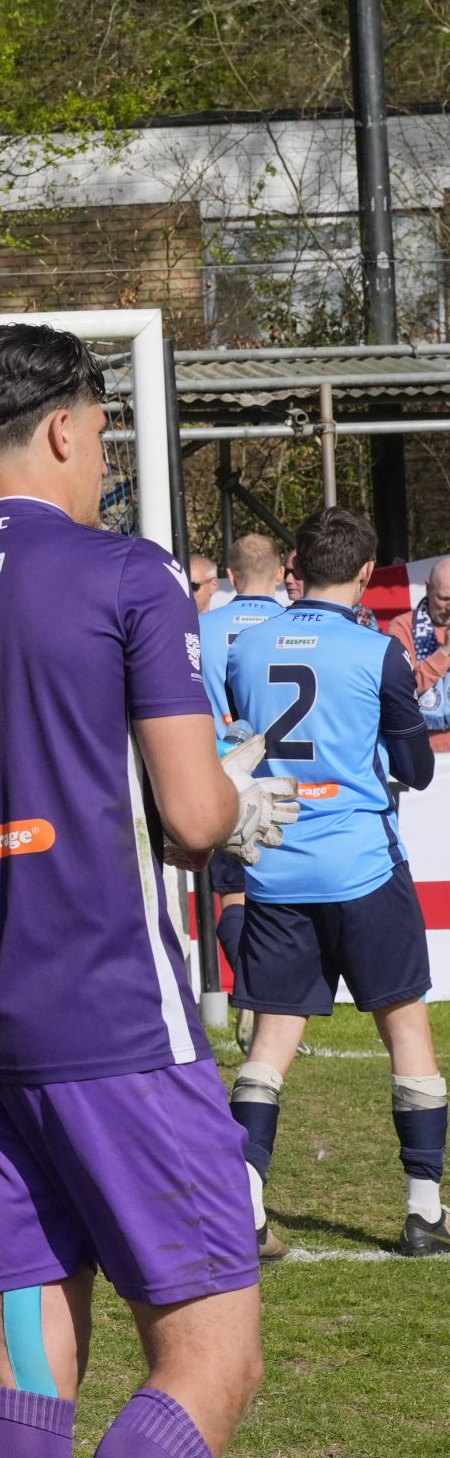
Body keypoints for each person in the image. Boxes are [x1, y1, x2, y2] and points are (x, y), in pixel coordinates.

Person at [0, 323, 289, 1458]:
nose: (108, 463)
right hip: (108, 1011)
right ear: (67, 429)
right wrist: (235, 796)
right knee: (210, 1359)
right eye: (106, 437)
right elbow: (192, 817)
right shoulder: (126, 571)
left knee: (25, 1367)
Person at [223, 506, 448, 1261]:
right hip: (361, 865)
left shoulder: (246, 646)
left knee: (269, 1042)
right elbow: (416, 769)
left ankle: (247, 1204)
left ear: (296, 565)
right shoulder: (377, 651)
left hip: (276, 863)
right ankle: (424, 1212)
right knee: (406, 1029)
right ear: (365, 573)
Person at [196, 533, 285, 975]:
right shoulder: (295, 625)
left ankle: (254, 992)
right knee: (288, 902)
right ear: (281, 574)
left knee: (234, 898)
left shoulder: (200, 629)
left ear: (230, 575)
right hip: (287, 779)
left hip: (226, 780)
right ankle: (277, 995)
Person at [383, 554, 450, 751]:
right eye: (444, 598)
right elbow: (401, 689)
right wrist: (445, 652)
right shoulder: (402, 626)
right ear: (428, 588)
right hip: (424, 749)